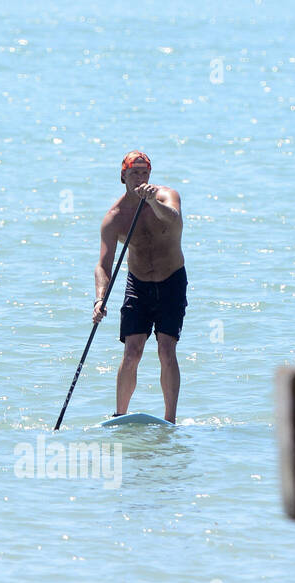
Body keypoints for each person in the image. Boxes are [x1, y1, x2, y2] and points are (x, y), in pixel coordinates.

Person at [93, 151, 186, 423]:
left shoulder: (167, 197)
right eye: (134, 173)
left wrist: (152, 203)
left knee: (166, 349)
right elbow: (103, 265)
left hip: (172, 281)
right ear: (123, 176)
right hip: (138, 284)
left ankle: (170, 419)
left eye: (144, 173)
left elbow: (174, 219)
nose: (140, 178)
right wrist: (99, 300)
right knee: (132, 351)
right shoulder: (115, 217)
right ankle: (119, 415)